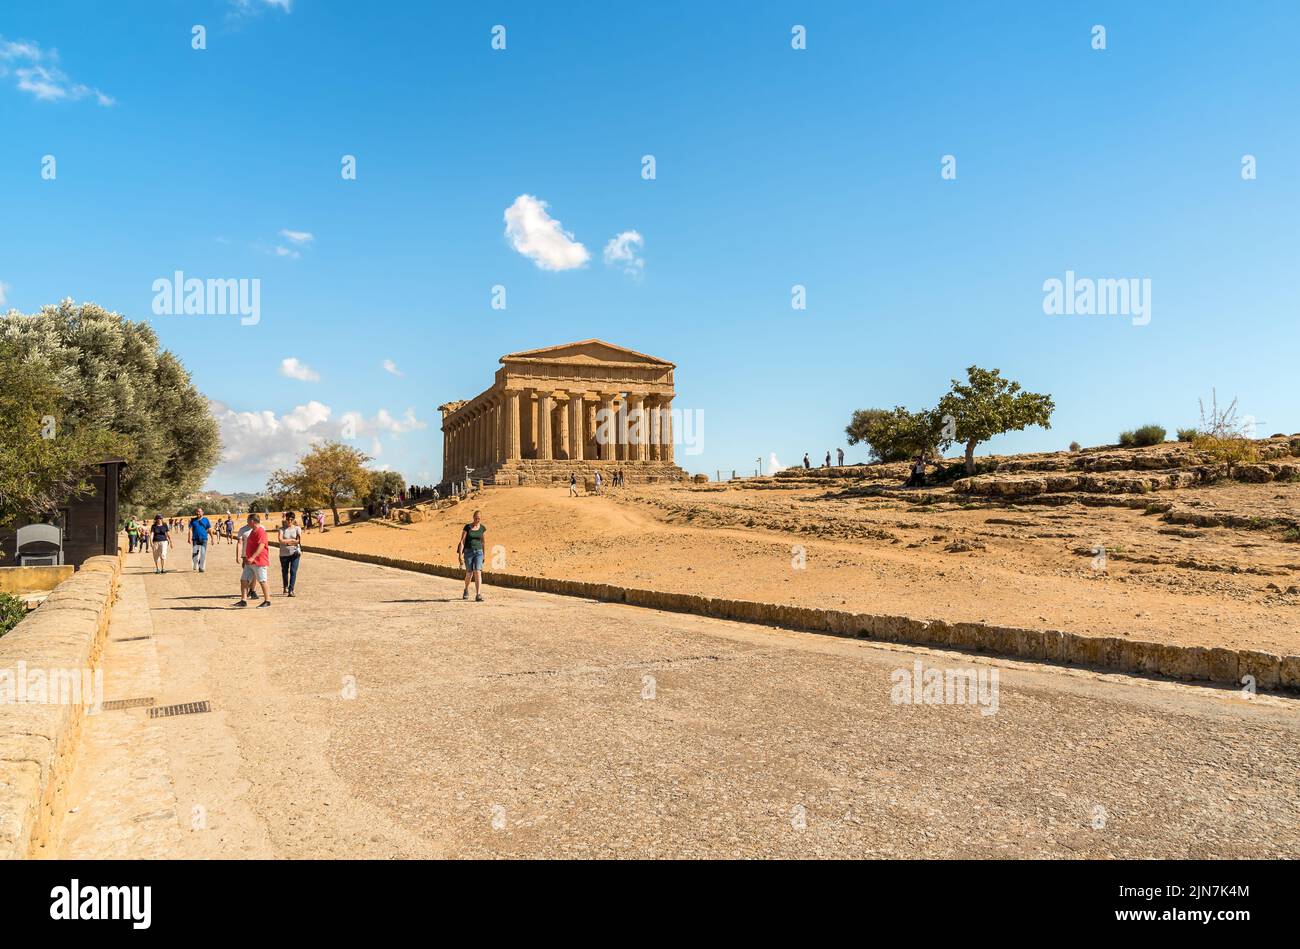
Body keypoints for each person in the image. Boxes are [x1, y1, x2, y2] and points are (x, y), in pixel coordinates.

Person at [236, 513, 271, 608]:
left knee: (262, 580)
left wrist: (253, 557)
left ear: (252, 521)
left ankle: (267, 600)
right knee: (244, 580)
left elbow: (261, 545)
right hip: (249, 562)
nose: (247, 522)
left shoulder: (261, 531)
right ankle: (243, 600)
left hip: (259, 561)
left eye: (248, 520)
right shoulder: (253, 531)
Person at [457, 510, 486, 602]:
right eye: (476, 518)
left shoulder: (482, 528)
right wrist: (460, 555)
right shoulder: (467, 527)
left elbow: (483, 542)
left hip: (479, 552)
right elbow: (462, 541)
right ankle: (466, 589)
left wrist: (484, 555)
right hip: (468, 552)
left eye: (479, 518)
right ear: (473, 517)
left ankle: (478, 594)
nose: (477, 520)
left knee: (477, 571)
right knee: (469, 573)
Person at [278, 512, 302, 597]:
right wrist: (292, 541)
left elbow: (298, 540)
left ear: (294, 519)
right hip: (284, 554)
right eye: (288, 519)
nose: (289, 521)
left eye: (291, 519)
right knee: (285, 571)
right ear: (286, 519)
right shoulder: (281, 529)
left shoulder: (297, 528)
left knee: (293, 571)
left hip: (295, 553)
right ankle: (285, 586)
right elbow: (280, 540)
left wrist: (287, 542)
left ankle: (291, 590)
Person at [236, 517, 259, 600]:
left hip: (256, 555)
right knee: (247, 574)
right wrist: (238, 556)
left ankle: (252, 590)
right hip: (246, 555)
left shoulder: (260, 529)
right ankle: (249, 590)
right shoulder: (243, 530)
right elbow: (239, 543)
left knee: (255, 574)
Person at [189, 507, 212, 572]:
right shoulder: (193, 520)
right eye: (197, 511)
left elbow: (209, 529)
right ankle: (195, 563)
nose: (198, 513)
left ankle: (201, 567)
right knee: (195, 553)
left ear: (203, 512)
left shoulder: (206, 520)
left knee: (203, 553)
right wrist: (189, 538)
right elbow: (190, 530)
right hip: (195, 539)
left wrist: (212, 538)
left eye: (199, 511)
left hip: (204, 538)